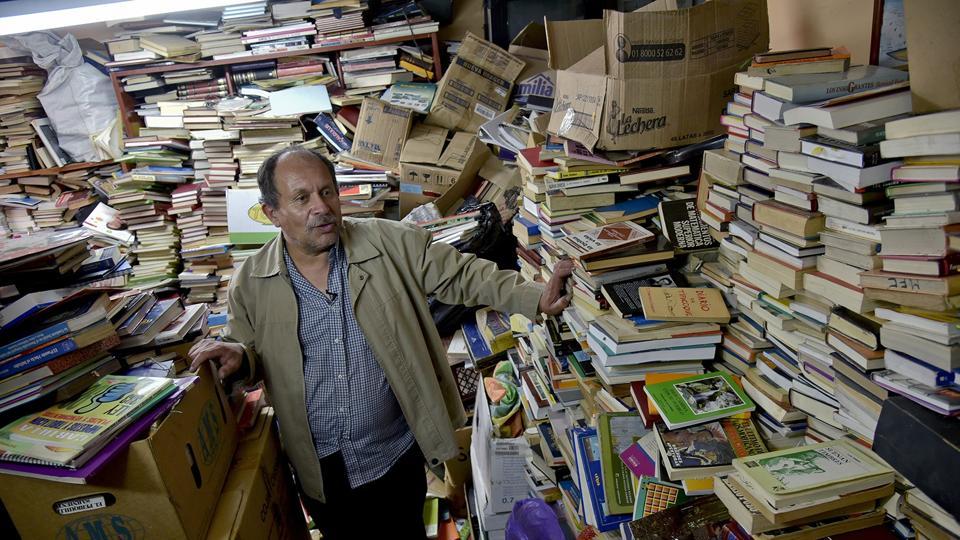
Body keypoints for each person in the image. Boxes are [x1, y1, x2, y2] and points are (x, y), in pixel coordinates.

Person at [188, 147, 572, 539]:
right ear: (272, 213)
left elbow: (463, 275)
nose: (321, 207)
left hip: (394, 456)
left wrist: (534, 296)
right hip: (320, 471)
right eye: (302, 198)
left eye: (327, 192)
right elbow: (245, 347)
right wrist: (237, 355)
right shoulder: (251, 282)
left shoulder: (387, 243)